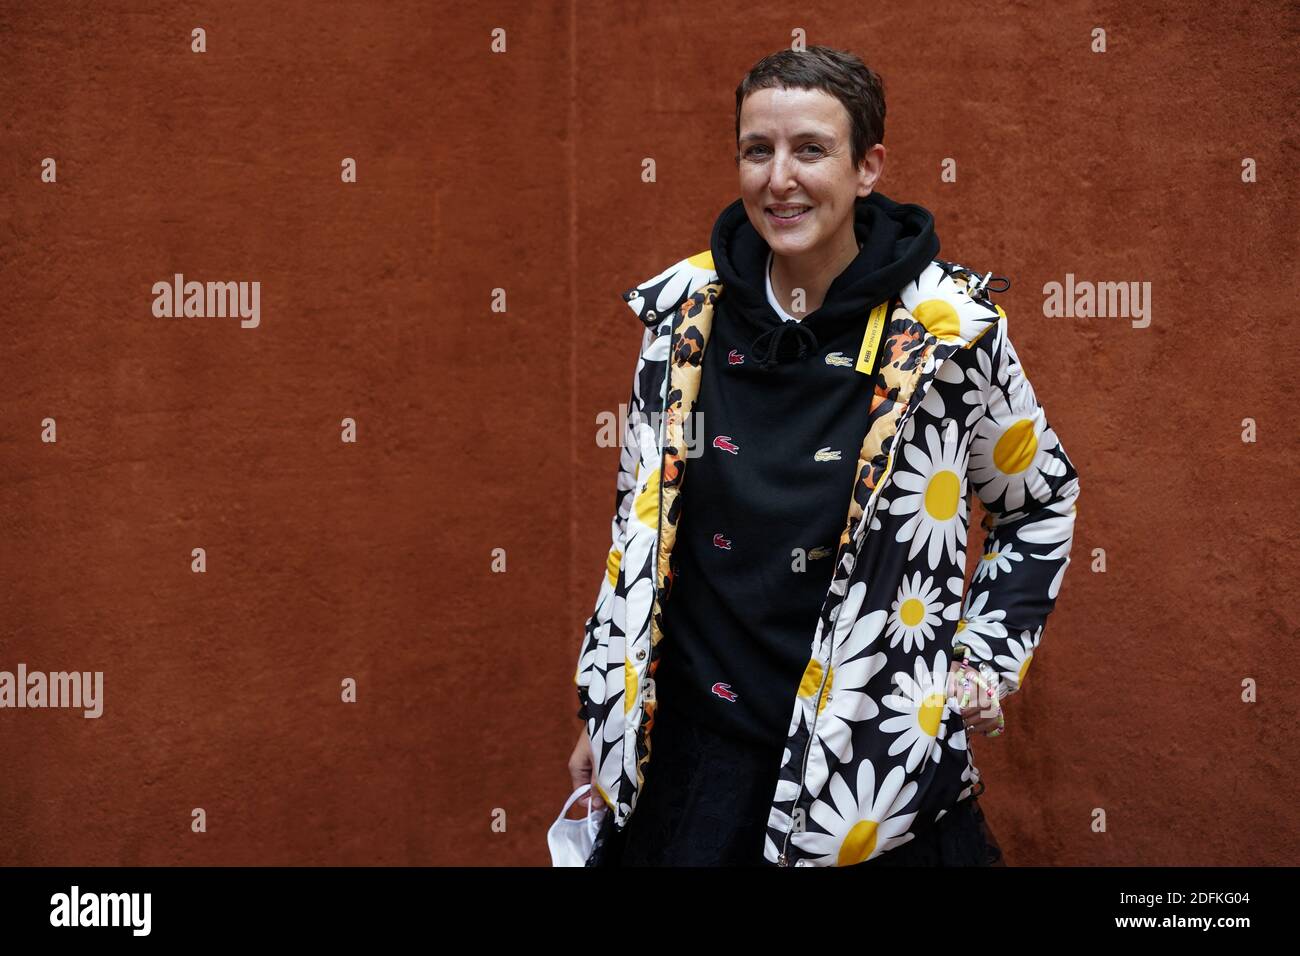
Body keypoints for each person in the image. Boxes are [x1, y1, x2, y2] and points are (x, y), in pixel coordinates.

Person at [567, 45, 1079, 867]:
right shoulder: (681, 317)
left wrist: (980, 663)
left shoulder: (949, 335)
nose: (780, 180)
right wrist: (610, 713)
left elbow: (1039, 501)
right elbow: (639, 522)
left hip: (871, 779)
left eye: (810, 149)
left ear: (868, 167)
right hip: (693, 770)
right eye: (757, 150)